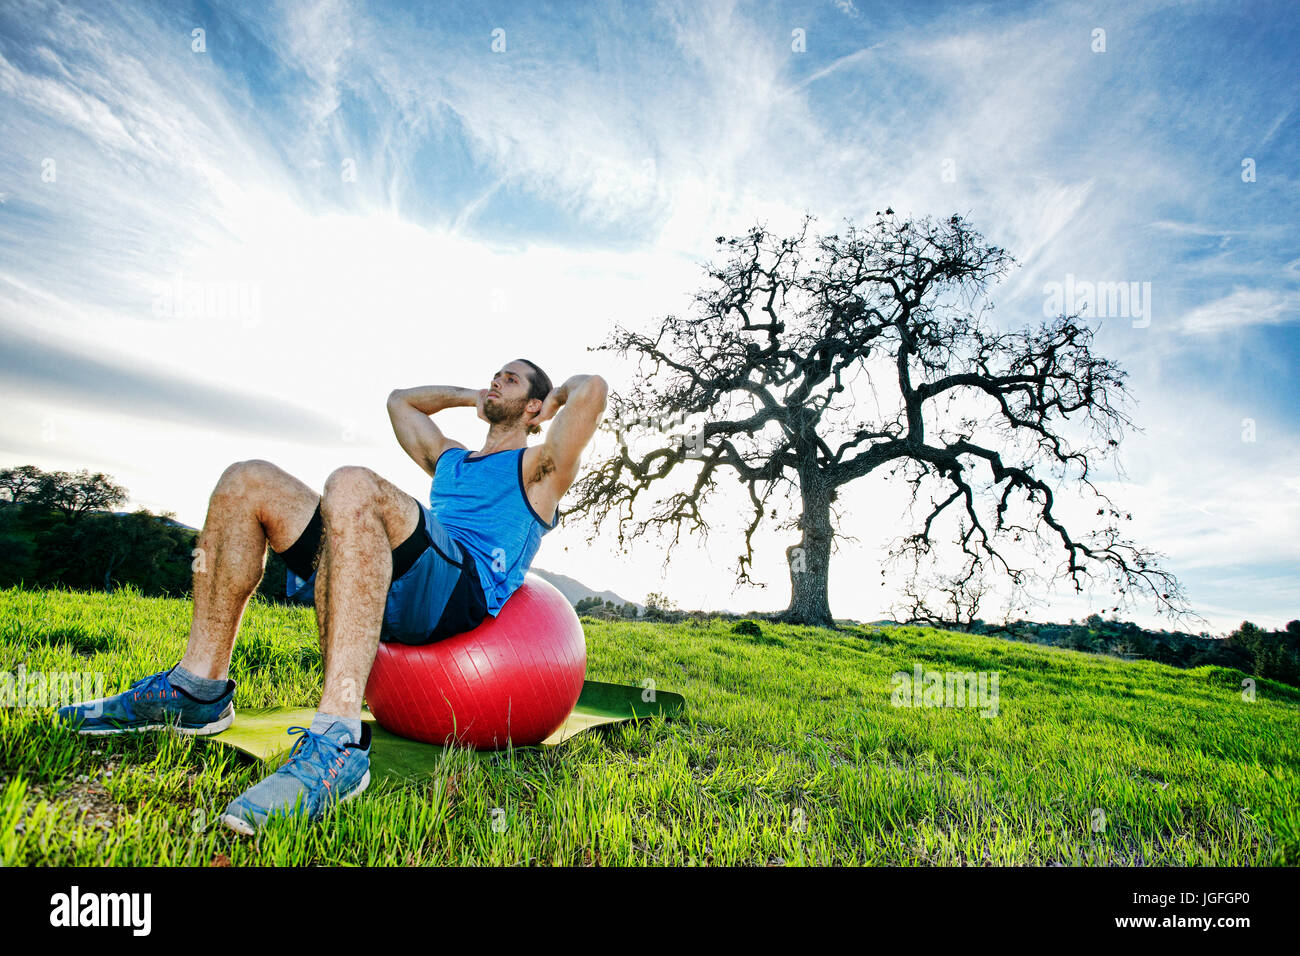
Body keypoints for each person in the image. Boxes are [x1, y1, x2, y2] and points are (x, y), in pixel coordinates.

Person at [56, 360, 608, 834]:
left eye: (509, 380)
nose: (495, 381)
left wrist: (555, 400)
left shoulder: (539, 471)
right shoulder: (450, 459)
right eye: (494, 375)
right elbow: (400, 403)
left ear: (533, 407)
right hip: (394, 578)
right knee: (247, 479)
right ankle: (197, 689)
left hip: (454, 594)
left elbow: (595, 390)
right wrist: (476, 397)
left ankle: (338, 742)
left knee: (352, 481)